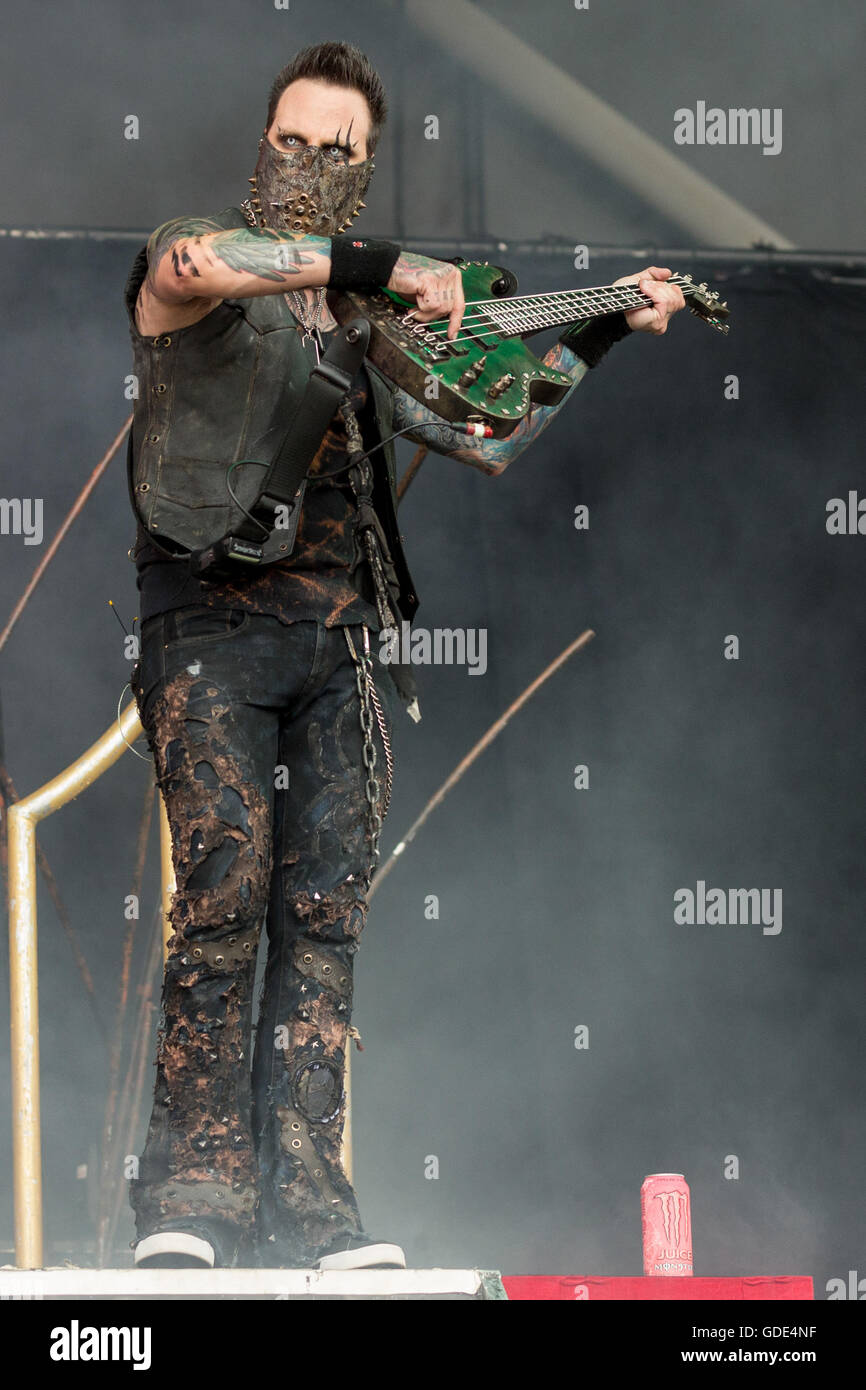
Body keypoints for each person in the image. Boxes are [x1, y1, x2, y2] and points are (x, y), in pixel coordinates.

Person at [124, 40, 684, 1272]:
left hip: (340, 646)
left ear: (368, 169)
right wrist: (393, 265)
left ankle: (313, 1209)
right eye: (294, 139)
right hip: (210, 629)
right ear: (258, 140)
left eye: (341, 152)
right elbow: (201, 267)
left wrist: (607, 329)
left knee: (320, 919)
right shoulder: (199, 260)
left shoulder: (375, 326)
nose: (313, 163)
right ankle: (192, 1201)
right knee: (220, 899)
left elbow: (488, 428)